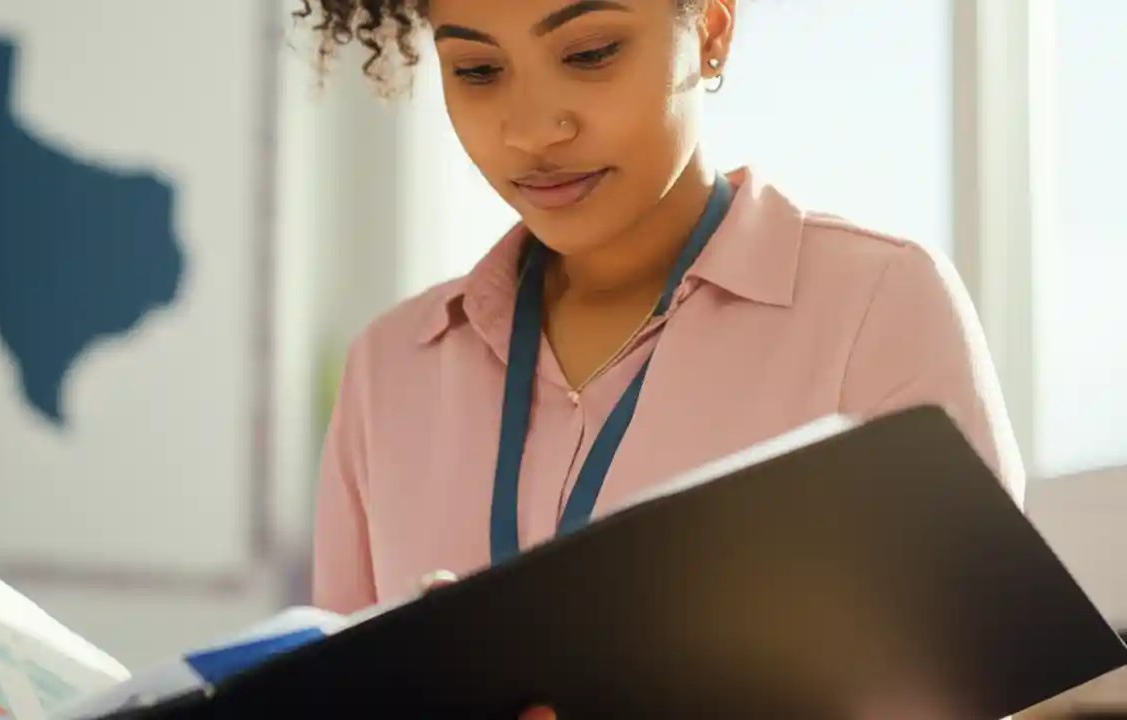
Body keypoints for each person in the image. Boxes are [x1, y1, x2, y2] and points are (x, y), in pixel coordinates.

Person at [301, 0, 1025, 716]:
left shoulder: (877, 306)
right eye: (479, 69)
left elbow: (971, 692)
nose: (532, 131)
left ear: (710, 30)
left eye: (589, 55)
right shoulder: (389, 368)